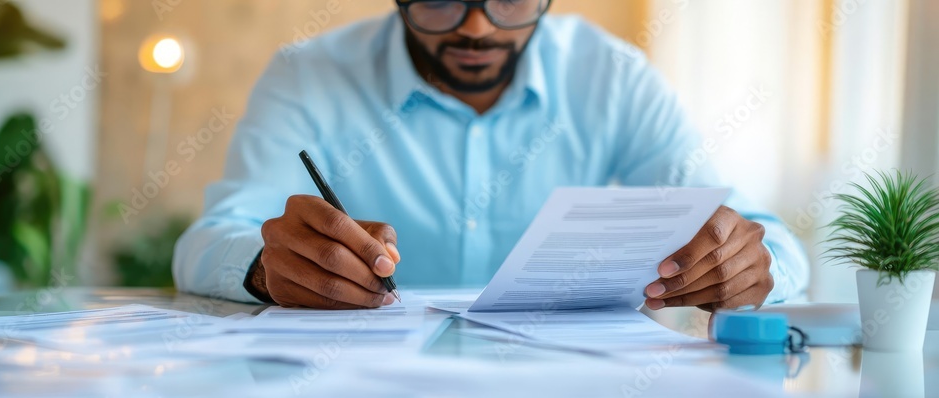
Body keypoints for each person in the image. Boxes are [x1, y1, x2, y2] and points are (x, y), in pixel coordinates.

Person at [174, 0, 809, 311]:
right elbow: (207, 241)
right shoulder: (307, 75)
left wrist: (751, 264)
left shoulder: (613, 78)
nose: (476, 29)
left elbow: (762, 236)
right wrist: (264, 268)